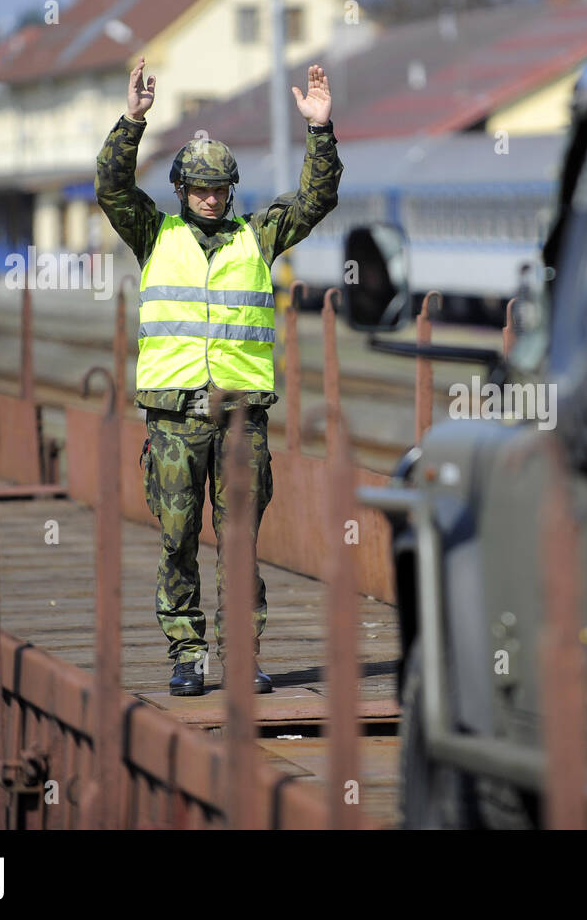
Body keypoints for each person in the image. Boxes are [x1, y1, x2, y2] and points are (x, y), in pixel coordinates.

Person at [94, 56, 342, 696]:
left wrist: (320, 129)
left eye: (220, 188)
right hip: (174, 420)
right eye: (200, 188)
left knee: (240, 543)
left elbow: (317, 198)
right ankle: (187, 654)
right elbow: (112, 188)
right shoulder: (155, 234)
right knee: (177, 539)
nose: (210, 197)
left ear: (232, 191)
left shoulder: (256, 238)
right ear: (182, 190)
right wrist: (133, 121)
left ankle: (240, 655)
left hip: (241, 419)